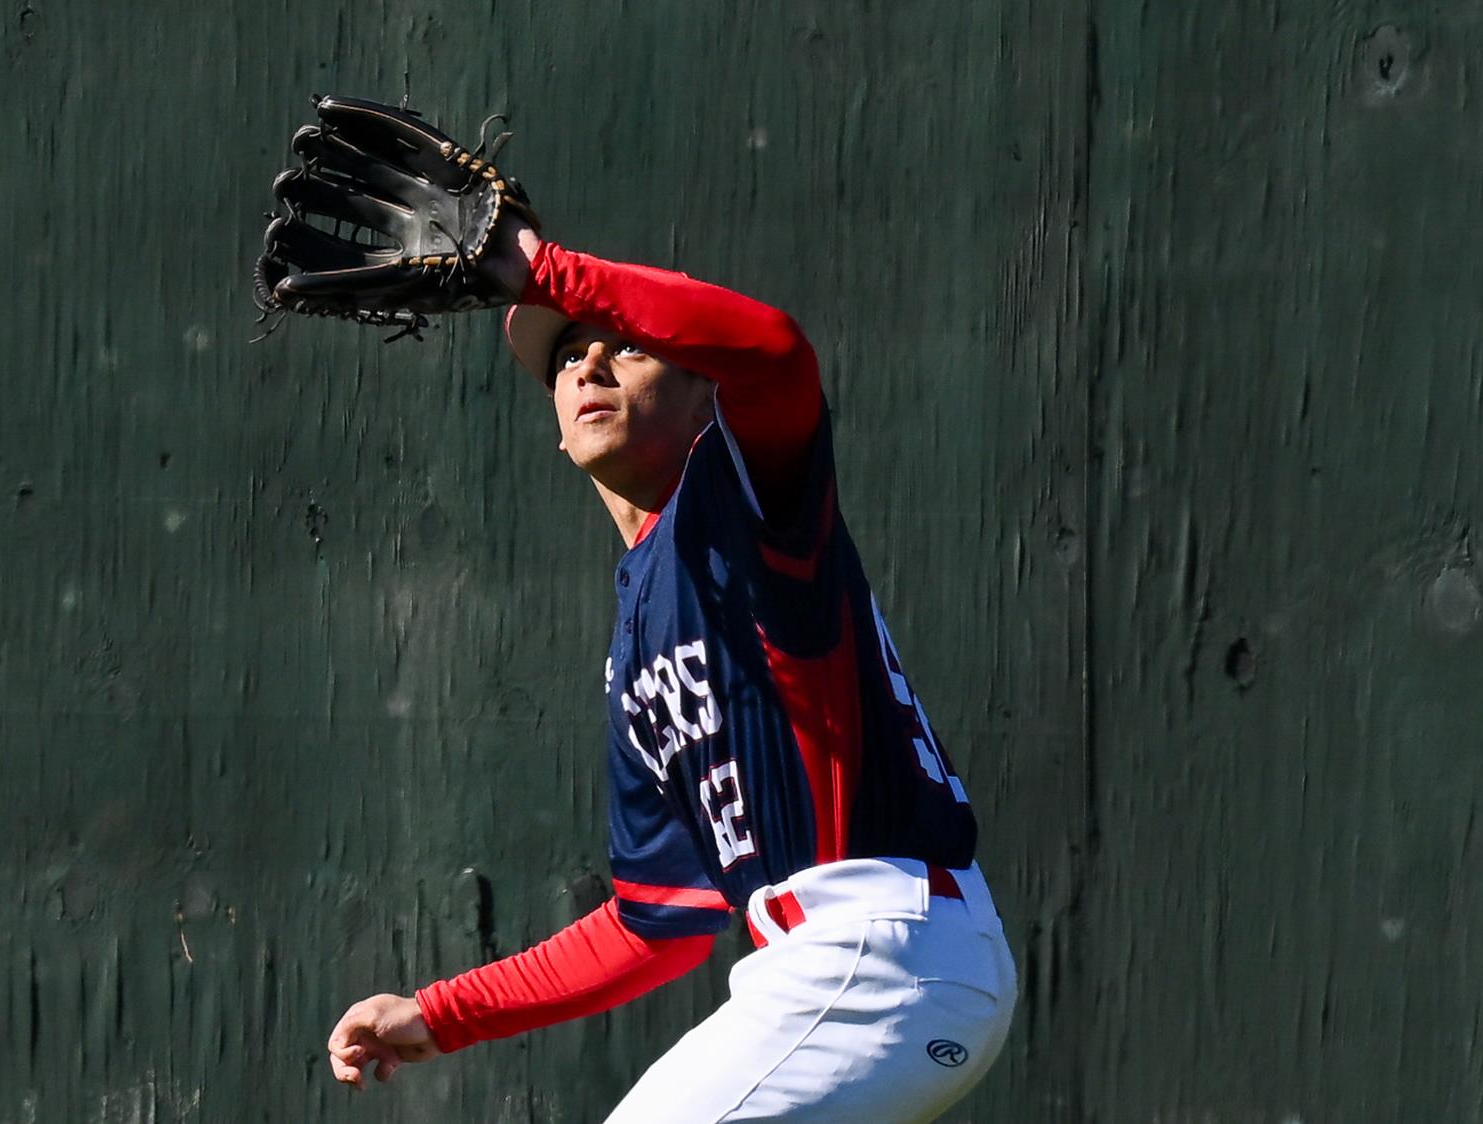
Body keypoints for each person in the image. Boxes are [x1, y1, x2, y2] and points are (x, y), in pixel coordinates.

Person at [325, 223, 1018, 1122]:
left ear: (706, 401)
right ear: (556, 430)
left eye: (630, 345)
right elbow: (656, 921)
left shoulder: (748, 510)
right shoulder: (638, 640)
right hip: (839, 968)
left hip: (872, 950)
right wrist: (444, 1014)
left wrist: (547, 270)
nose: (590, 365)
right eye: (569, 355)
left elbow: (773, 353)